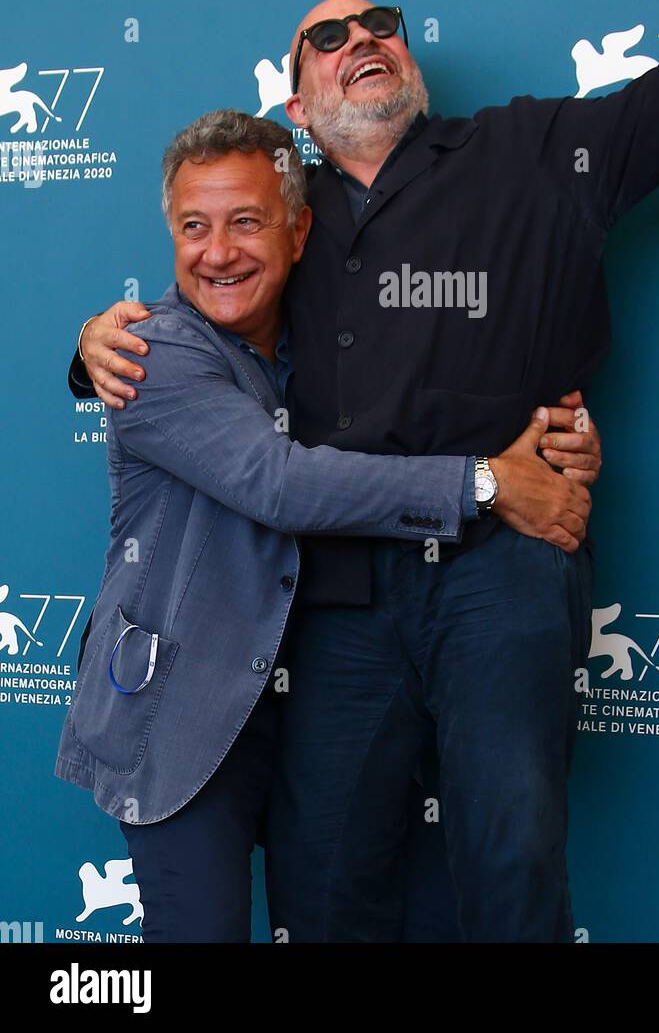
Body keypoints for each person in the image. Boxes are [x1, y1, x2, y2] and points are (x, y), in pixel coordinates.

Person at [72, 0, 659, 942]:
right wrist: (91, 350)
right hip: (334, 587)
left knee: (509, 853)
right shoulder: (279, 224)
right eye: (326, 38)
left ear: (407, 55)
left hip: (506, 559)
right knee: (325, 872)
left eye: (377, 23)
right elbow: (194, 322)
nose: (359, 42)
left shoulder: (531, 150)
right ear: (296, 101)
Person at [57, 111, 595, 943]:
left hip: (296, 704)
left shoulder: (309, 348)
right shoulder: (152, 353)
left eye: (246, 222)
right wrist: (486, 484)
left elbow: (423, 392)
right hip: (182, 715)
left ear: (299, 230)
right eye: (193, 227)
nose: (218, 252)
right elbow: (280, 483)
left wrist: (554, 437)